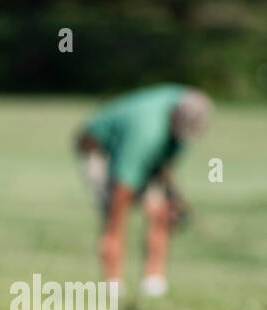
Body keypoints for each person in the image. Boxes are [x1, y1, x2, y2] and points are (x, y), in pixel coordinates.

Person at [75, 85, 212, 296]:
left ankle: (153, 283)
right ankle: (113, 284)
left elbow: (165, 164)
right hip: (99, 147)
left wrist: (172, 199)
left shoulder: (187, 110)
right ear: (174, 117)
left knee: (161, 211)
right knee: (115, 215)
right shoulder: (145, 134)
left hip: (142, 147)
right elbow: (123, 187)